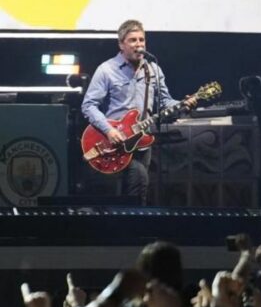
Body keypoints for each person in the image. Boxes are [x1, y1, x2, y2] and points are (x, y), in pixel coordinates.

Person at [81, 19, 195, 205]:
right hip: (112, 142)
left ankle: (132, 228)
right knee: (138, 180)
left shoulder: (153, 70)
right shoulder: (107, 70)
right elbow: (89, 105)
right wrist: (109, 130)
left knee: (138, 192)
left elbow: (165, 102)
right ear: (121, 44)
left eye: (142, 40)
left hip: (142, 142)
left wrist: (184, 104)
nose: (139, 45)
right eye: (133, 40)